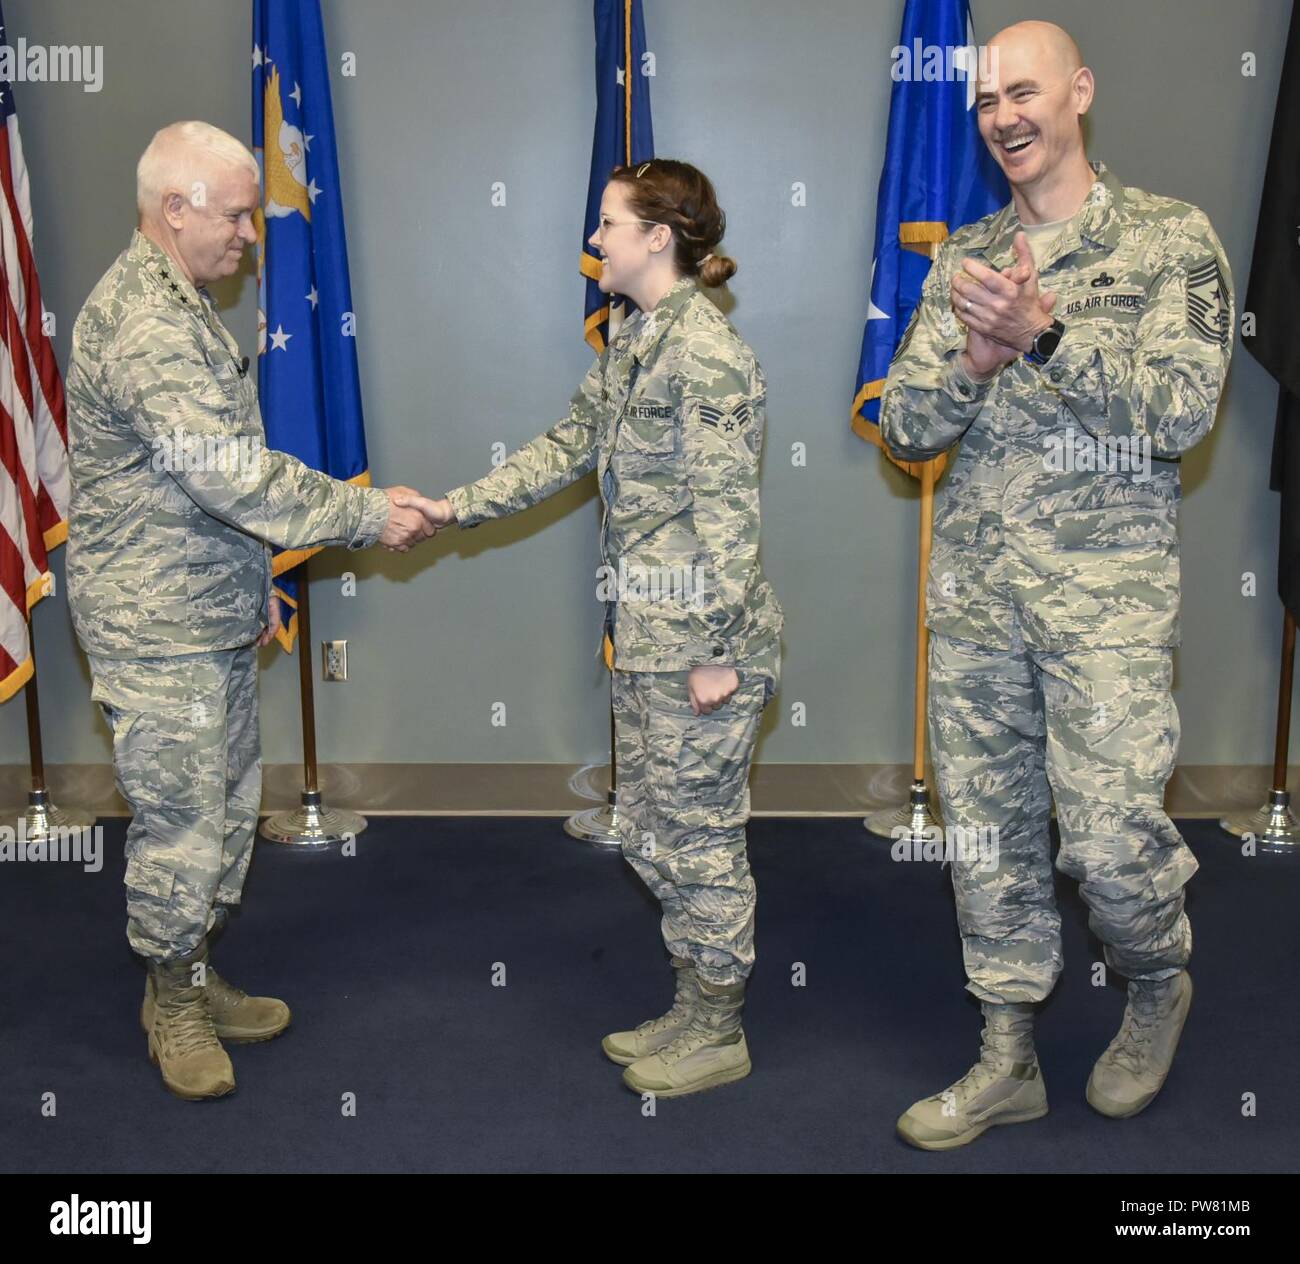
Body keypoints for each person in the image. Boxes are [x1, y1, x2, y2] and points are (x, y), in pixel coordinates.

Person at [880, 22, 1233, 1149]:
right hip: (979, 608)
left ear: (1078, 91)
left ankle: (1152, 982)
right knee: (985, 842)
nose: (1003, 117)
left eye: (1023, 92)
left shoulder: (1170, 241)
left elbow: (1180, 412)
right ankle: (1004, 1054)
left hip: (1106, 618)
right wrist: (973, 361)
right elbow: (903, 429)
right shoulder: (965, 258)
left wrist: (1043, 336)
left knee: (1111, 841)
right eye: (986, 101)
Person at [65, 121, 439, 1101]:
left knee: (227, 811)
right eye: (234, 213)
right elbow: (230, 475)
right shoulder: (146, 322)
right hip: (158, 628)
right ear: (172, 208)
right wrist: (366, 511)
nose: (250, 232)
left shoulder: (180, 303)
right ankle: (172, 1000)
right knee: (185, 824)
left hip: (204, 613)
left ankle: (191, 969)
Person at [401, 159, 783, 1098]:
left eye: (608, 224)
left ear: (660, 238)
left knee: (699, 840)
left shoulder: (706, 354)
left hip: (699, 645)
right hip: (648, 638)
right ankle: (694, 1000)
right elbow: (566, 447)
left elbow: (729, 516)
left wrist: (717, 652)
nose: (595, 242)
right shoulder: (635, 337)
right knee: (652, 835)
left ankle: (720, 1027)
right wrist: (455, 507)